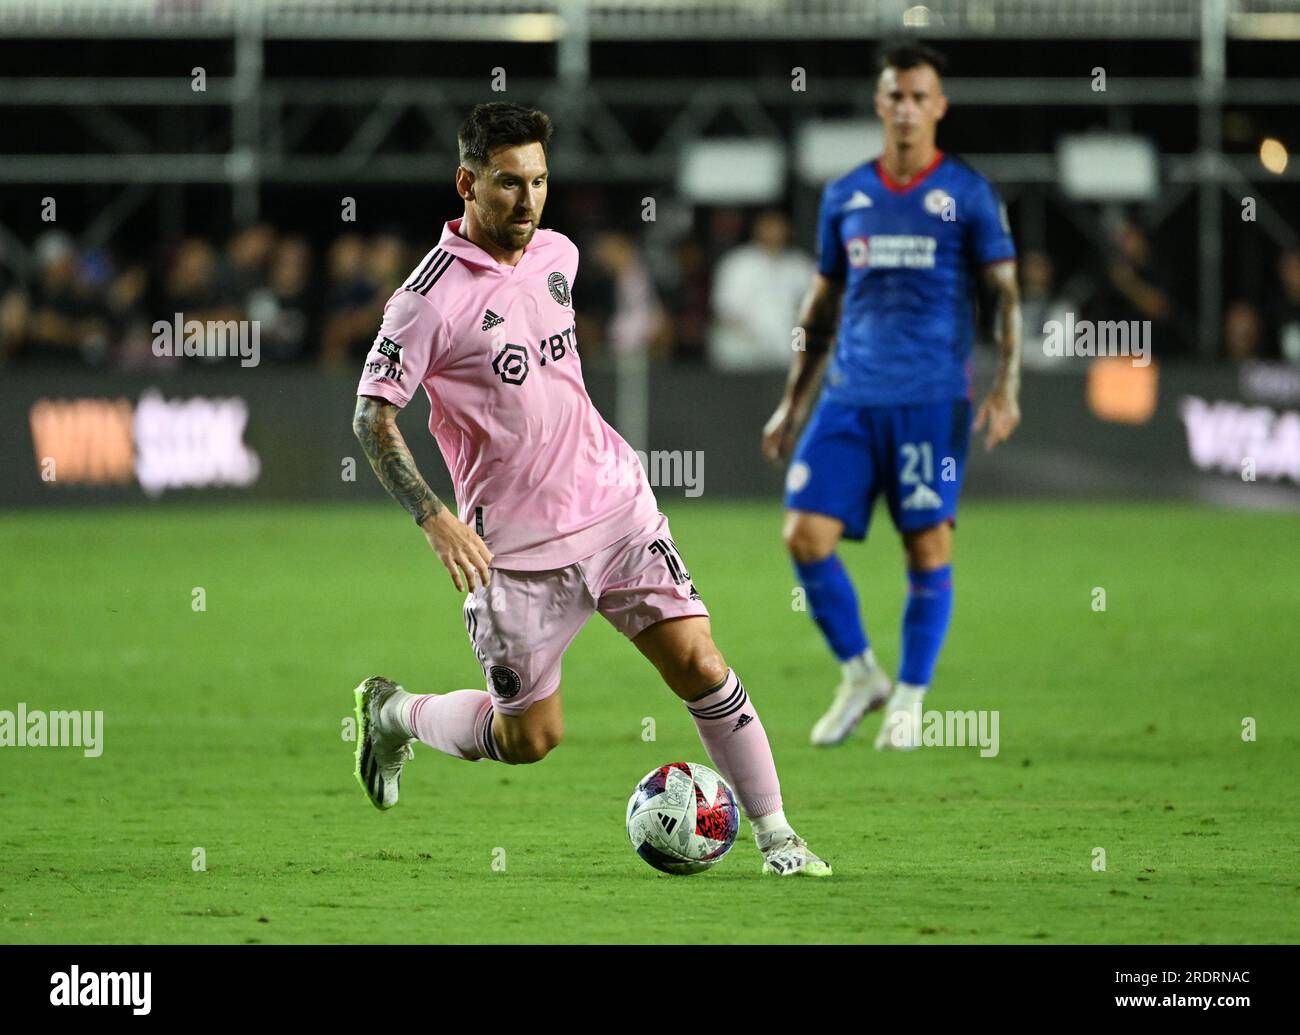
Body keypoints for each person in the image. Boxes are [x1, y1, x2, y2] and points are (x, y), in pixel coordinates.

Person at [349, 102, 830, 877]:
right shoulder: (425, 301)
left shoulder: (559, 256)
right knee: (529, 739)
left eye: (540, 182)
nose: (528, 201)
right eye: (509, 184)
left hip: (616, 509)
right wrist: (434, 517)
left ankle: (779, 838)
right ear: (467, 183)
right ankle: (394, 711)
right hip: (515, 551)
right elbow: (371, 417)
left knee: (700, 662)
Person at [761, 43, 1022, 750]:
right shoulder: (846, 194)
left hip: (932, 400)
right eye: (894, 96)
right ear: (879, 105)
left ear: (939, 106)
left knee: (926, 544)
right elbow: (819, 310)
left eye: (919, 96)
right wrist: (793, 401)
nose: (906, 107)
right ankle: (861, 675)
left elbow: (1005, 295)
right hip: (848, 397)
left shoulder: (967, 194)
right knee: (802, 533)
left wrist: (1006, 385)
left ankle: (910, 697)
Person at [708, 210, 816, 372]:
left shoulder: (800, 265)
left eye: (778, 227)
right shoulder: (737, 263)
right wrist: (757, 337)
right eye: (768, 227)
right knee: (731, 344)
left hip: (788, 343)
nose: (773, 232)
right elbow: (725, 308)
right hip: (746, 343)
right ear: (757, 229)